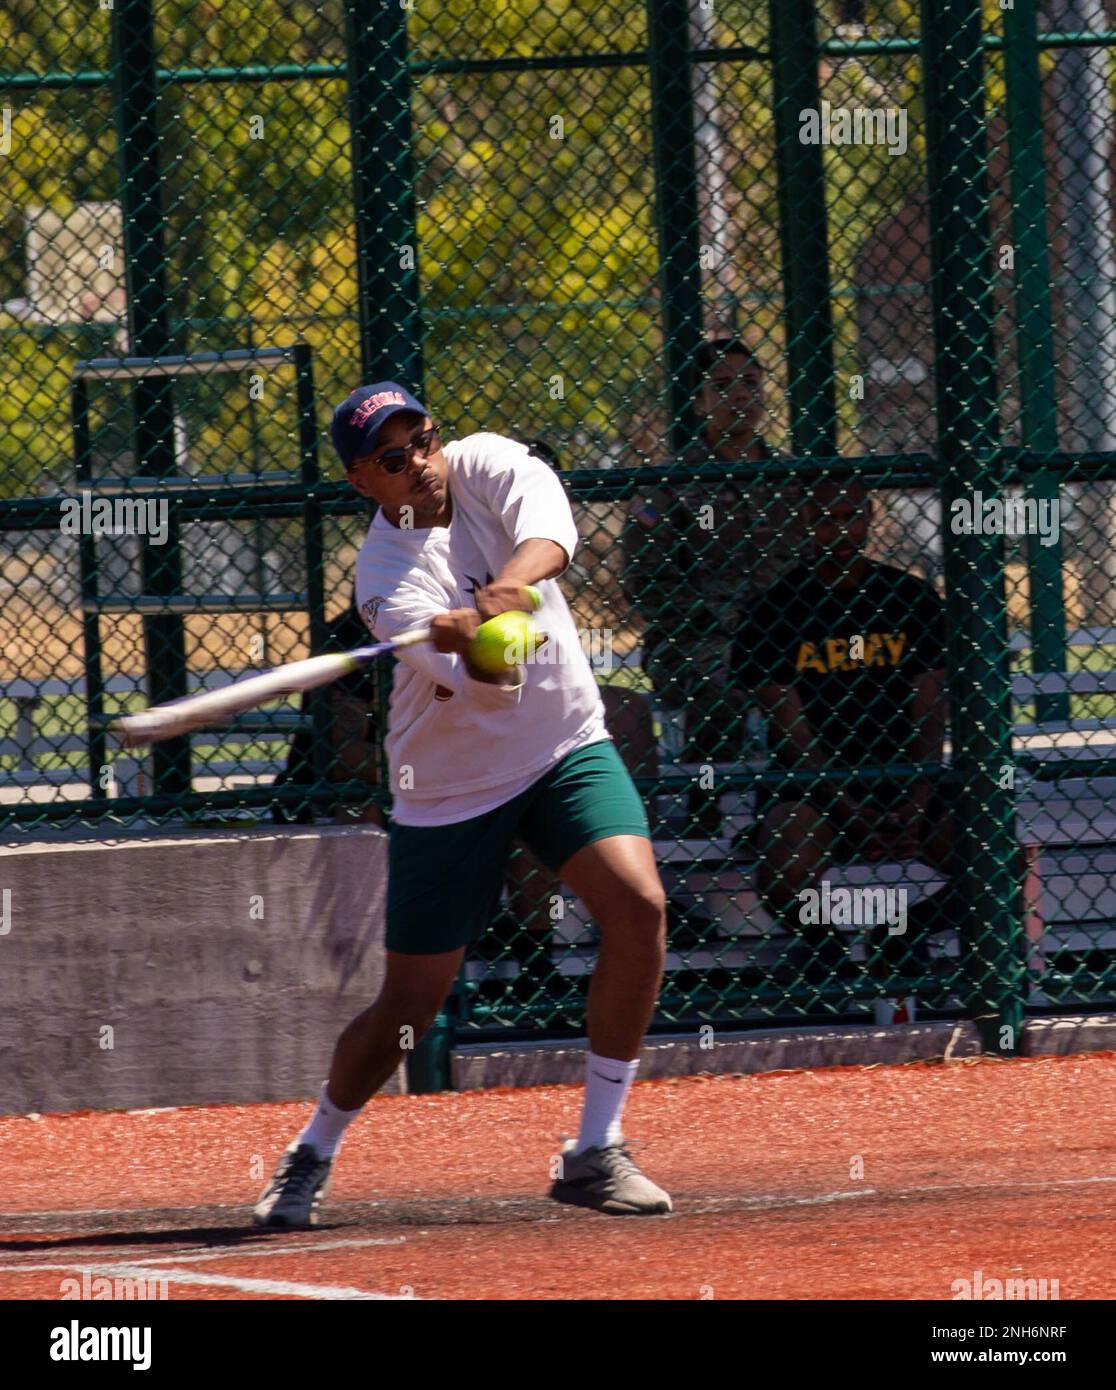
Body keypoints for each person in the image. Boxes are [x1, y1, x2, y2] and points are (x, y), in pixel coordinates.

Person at [254, 382, 671, 1225]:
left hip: (562, 747)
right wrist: (471, 642)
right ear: (363, 482)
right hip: (448, 789)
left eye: (424, 439)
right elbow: (495, 684)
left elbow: (552, 532)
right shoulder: (386, 580)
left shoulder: (485, 461)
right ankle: (312, 1151)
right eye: (395, 458)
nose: (422, 463)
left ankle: (596, 1148)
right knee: (411, 1004)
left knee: (639, 909)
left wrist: (509, 588)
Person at [731, 476, 985, 987]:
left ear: (870, 518)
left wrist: (917, 799)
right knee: (783, 865)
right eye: (825, 518)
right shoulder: (776, 608)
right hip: (816, 786)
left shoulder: (907, 596)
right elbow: (794, 732)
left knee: (992, 860)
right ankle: (827, 948)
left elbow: (931, 714)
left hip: (906, 773)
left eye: (850, 516)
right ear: (804, 522)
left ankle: (903, 933)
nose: (839, 530)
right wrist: (851, 810)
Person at [623, 338, 803, 838]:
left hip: (788, 631)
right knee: (725, 681)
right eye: (723, 387)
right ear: (698, 402)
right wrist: (726, 617)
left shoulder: (792, 479)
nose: (741, 396)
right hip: (698, 641)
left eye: (750, 383)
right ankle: (706, 810)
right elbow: (644, 583)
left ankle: (794, 805)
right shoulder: (668, 485)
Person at [270, 596, 387, 827]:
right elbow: (345, 758)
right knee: (361, 806)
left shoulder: (439, 633)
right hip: (330, 794)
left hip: (406, 773)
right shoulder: (346, 640)